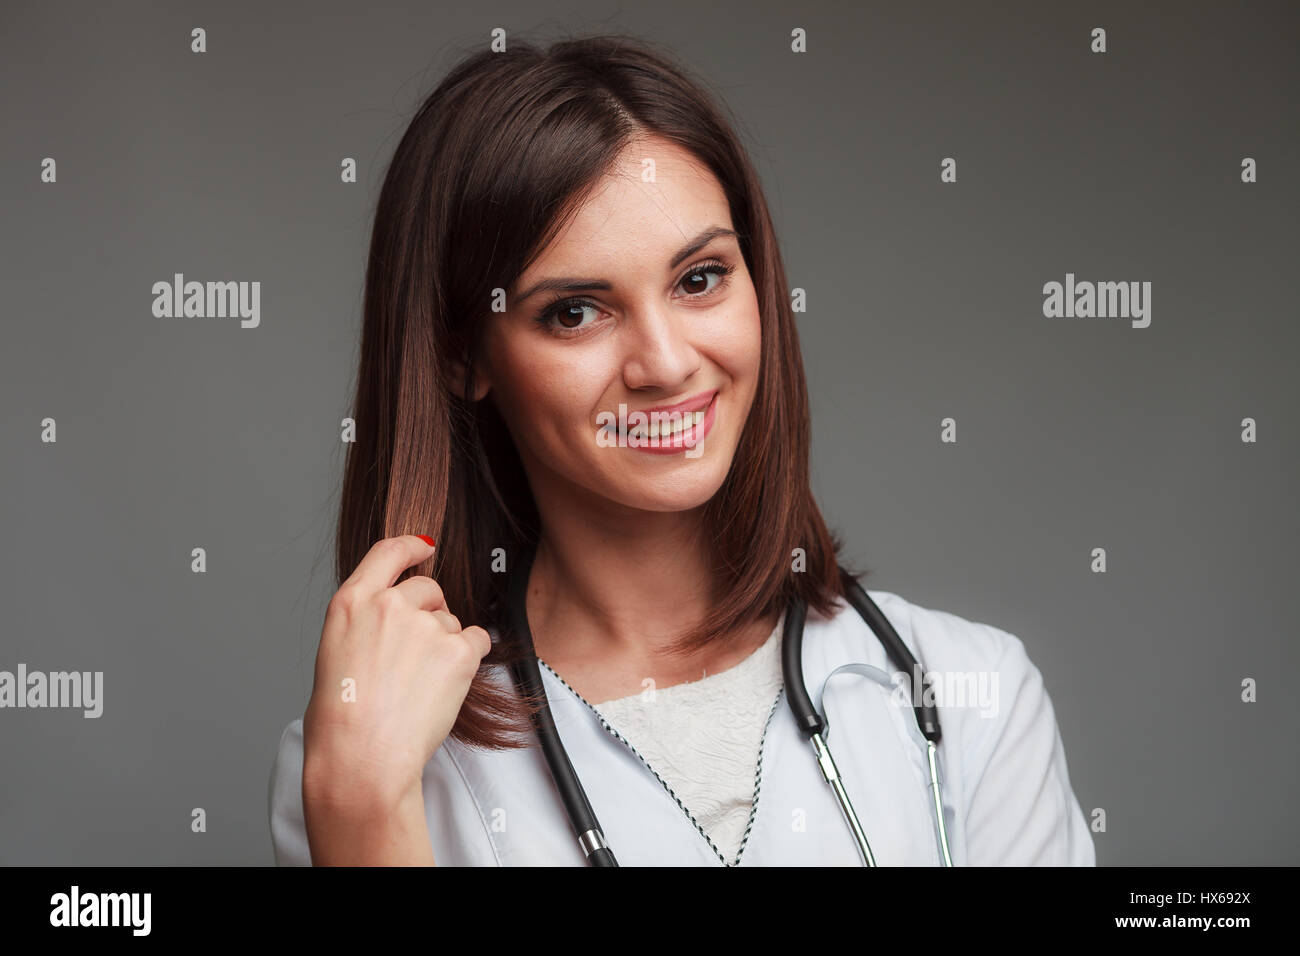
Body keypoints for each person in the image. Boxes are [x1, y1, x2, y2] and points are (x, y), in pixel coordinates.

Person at [267, 33, 1095, 866]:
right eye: (576, 312)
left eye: (699, 279)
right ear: (464, 355)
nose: (664, 364)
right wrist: (364, 809)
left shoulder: (969, 697)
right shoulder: (365, 761)